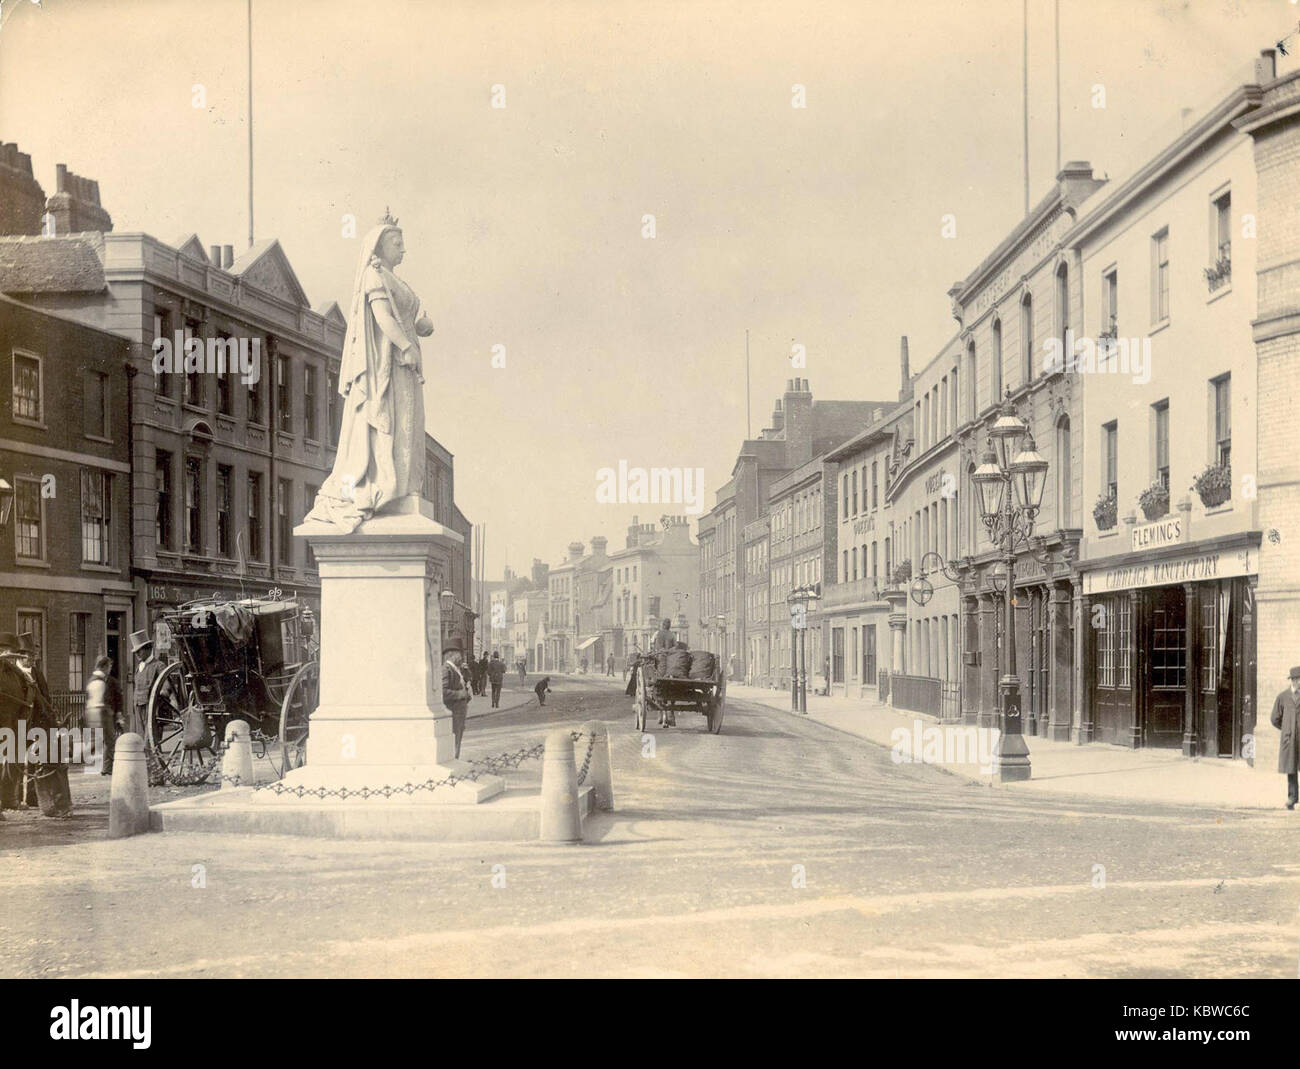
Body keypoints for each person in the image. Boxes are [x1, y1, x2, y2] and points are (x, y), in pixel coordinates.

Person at [304, 211, 434, 532]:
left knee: (409, 424)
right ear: (379, 246)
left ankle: (404, 486)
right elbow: (383, 319)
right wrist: (405, 346)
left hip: (405, 368)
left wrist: (421, 327)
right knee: (394, 421)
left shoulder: (396, 281)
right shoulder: (373, 276)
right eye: (397, 243)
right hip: (386, 367)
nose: (403, 249)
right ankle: (388, 484)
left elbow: (406, 317)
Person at [85, 655, 121, 775]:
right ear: (104, 666)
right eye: (109, 666)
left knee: (103, 740)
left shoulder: (92, 679)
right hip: (103, 712)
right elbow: (102, 699)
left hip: (93, 712)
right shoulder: (100, 680)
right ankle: (107, 768)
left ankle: (105, 767)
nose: (110, 668)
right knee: (110, 740)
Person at [1271, 666, 1300, 809]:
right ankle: (1292, 798)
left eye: (1299, 679)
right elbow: (1275, 718)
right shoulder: (1283, 697)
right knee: (1291, 768)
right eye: (1295, 679)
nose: (1297, 682)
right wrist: (1286, 729)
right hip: (1290, 739)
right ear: (1291, 680)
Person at [130, 630, 166, 739]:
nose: (137, 655)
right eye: (135, 652)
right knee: (140, 735)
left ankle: (152, 754)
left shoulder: (158, 666)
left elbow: (166, 684)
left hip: (151, 707)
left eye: (139, 651)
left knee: (150, 736)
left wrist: (164, 691)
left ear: (148, 649)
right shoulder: (138, 668)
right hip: (138, 706)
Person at [441, 643, 472, 760]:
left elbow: (467, 680)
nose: (462, 657)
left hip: (459, 711)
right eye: (460, 654)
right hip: (453, 711)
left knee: (458, 737)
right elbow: (442, 692)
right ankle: (453, 760)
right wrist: (460, 694)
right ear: (452, 655)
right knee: (455, 739)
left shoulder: (457, 669)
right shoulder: (446, 669)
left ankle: (455, 759)